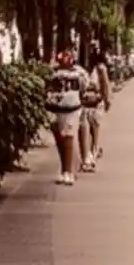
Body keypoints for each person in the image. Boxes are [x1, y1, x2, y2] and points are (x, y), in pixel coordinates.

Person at [46, 48, 89, 185]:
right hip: (54, 109)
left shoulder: (79, 73)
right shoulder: (51, 71)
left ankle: (69, 172)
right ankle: (64, 169)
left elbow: (84, 87)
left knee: (68, 137)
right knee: (60, 140)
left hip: (72, 108)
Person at [78, 46, 112, 172]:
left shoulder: (99, 68)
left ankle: (92, 155)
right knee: (88, 130)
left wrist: (107, 99)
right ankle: (89, 156)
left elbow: (105, 84)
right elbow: (106, 85)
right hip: (87, 103)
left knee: (94, 129)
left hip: (95, 103)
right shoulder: (83, 70)